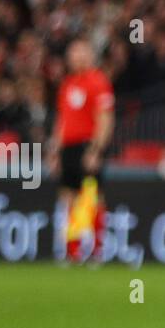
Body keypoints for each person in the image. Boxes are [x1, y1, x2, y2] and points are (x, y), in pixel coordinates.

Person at [48, 39, 114, 263]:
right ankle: (72, 251)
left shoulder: (98, 81)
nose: (74, 57)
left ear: (88, 55)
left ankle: (96, 251)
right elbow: (62, 120)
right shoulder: (67, 83)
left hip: (87, 145)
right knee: (68, 197)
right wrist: (55, 150)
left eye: (78, 53)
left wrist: (96, 150)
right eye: (72, 53)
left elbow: (105, 119)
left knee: (92, 197)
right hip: (68, 147)